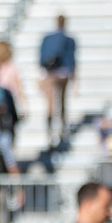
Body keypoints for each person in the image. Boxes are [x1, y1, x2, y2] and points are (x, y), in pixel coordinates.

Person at [39, 14, 77, 142]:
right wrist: (75, 80)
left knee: (50, 104)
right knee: (61, 102)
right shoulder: (69, 40)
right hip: (63, 74)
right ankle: (62, 128)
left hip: (51, 73)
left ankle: (50, 132)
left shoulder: (47, 38)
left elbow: (41, 58)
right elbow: (72, 62)